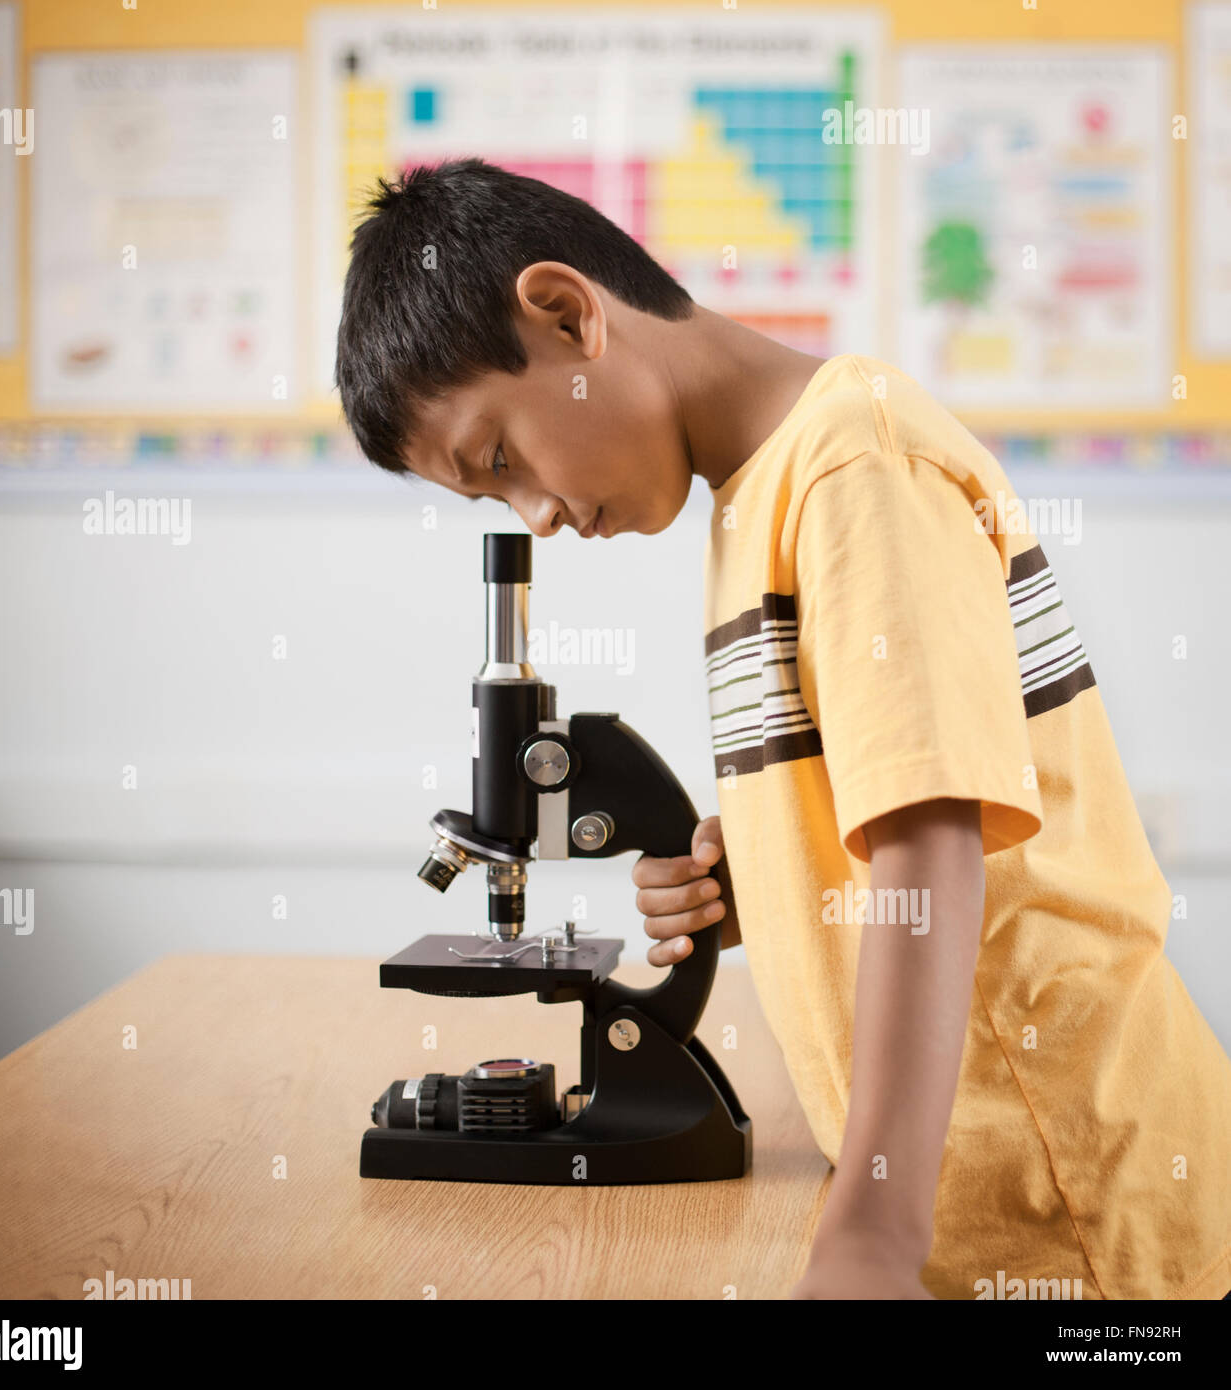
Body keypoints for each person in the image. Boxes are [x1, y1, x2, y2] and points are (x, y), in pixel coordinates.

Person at [335, 157, 1231, 1300]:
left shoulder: (854, 465)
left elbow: (931, 847)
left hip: (1071, 1217)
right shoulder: (754, 495)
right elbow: (893, 811)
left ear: (566, 315)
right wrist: (769, 875)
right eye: (494, 502)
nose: (540, 518)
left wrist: (871, 1233)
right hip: (985, 1202)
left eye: (501, 460)